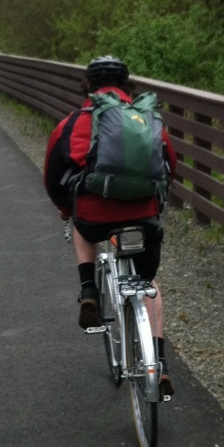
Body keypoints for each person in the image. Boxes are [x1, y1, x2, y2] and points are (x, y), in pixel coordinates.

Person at [43, 55, 177, 396]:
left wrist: (63, 207)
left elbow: (53, 174)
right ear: (128, 85)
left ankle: (89, 289)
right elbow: (170, 164)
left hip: (95, 216)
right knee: (148, 284)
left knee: (81, 224)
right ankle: (158, 365)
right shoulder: (146, 118)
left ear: (87, 85)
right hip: (144, 218)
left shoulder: (74, 122)